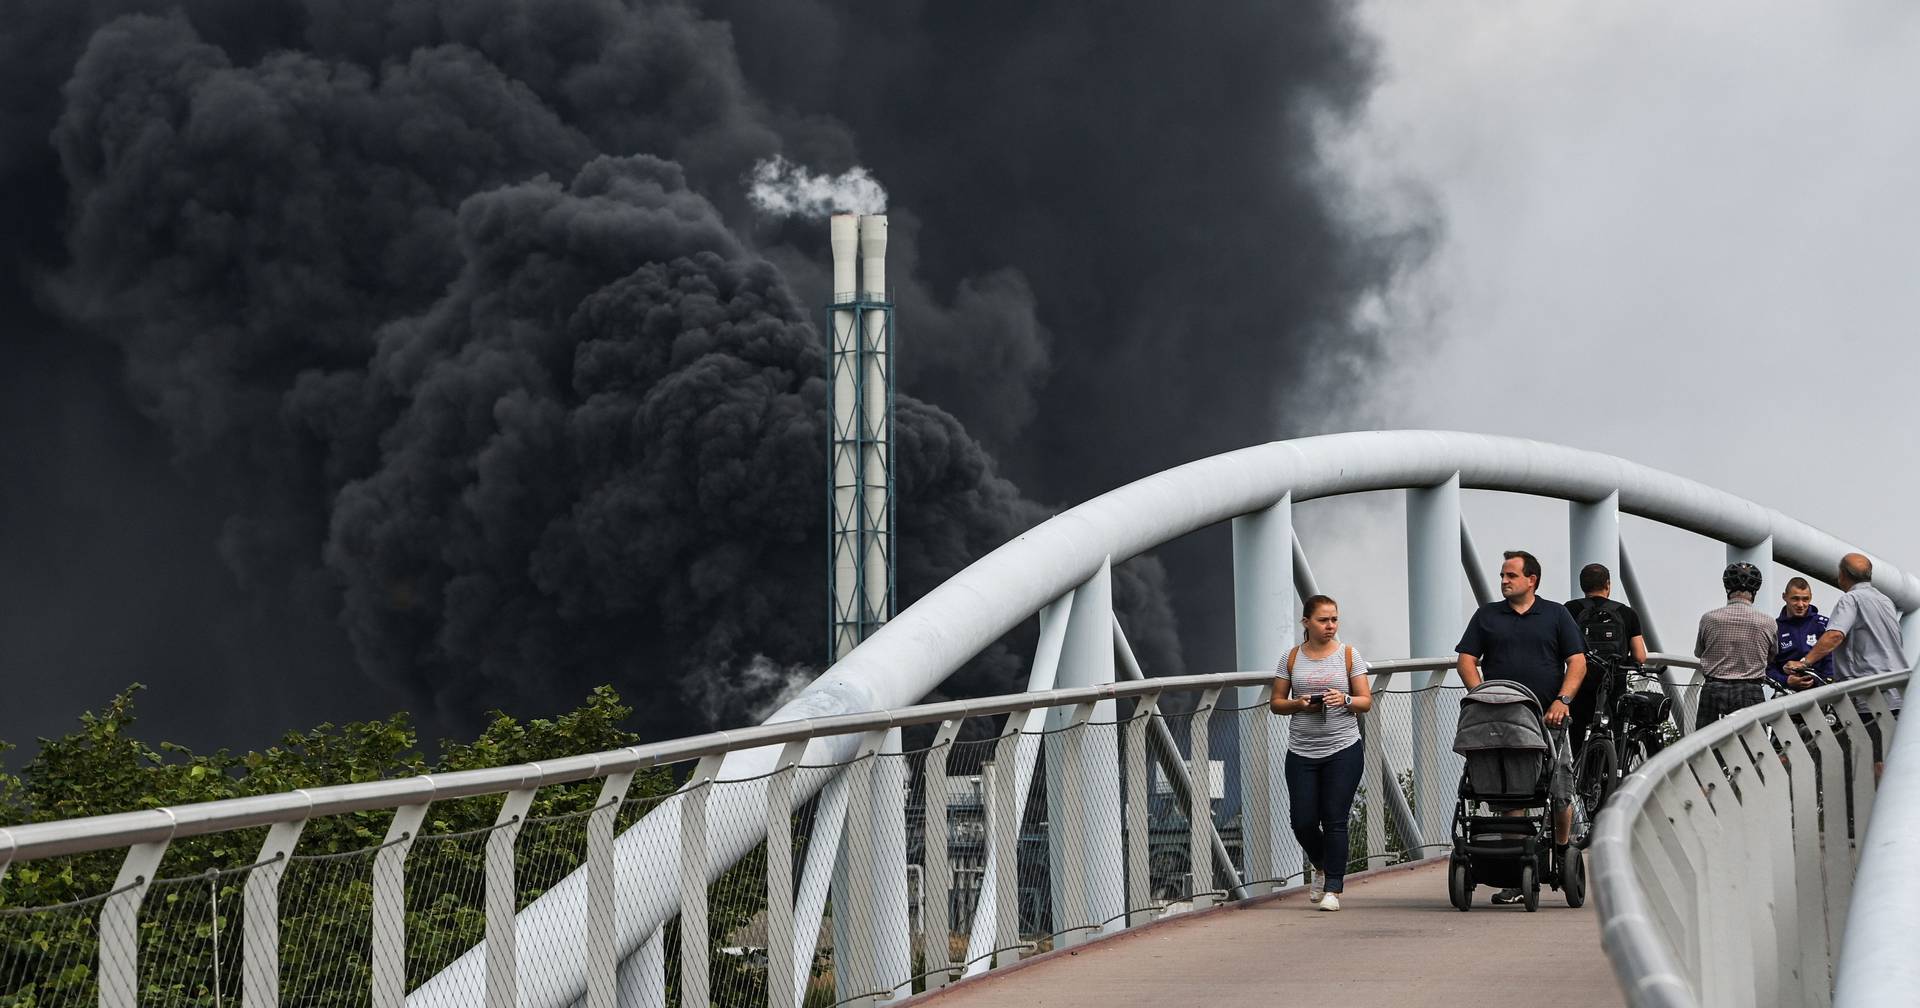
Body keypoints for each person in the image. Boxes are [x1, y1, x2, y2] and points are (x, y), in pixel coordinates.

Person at [1455, 550, 1586, 904]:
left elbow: (1577, 661)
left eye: (1511, 575)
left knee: (1559, 789)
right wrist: (1481, 695)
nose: (1503, 581)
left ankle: (1561, 850)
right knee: (1509, 790)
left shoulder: (1556, 615)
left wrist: (1564, 700)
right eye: (1502, 575)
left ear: (1532, 580)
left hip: (1548, 718)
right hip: (1502, 719)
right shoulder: (1487, 616)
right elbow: (1466, 660)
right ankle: (1513, 874)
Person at [1270, 594, 1373, 912]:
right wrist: (1298, 704)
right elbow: (1276, 703)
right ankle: (1321, 864)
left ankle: (1333, 888)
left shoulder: (1348, 655)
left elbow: (1365, 700)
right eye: (1323, 620)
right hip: (1302, 751)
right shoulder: (1290, 658)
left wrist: (1342, 699)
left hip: (1343, 748)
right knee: (1301, 821)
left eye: (1334, 619)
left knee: (1335, 819)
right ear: (1306, 623)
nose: (1330, 626)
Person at [1785, 553, 1906, 767]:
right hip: (1897, 691)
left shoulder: (1850, 599)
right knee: (1888, 758)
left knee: (1874, 761)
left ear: (1842, 575)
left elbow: (1835, 635)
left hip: (1870, 696)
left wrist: (1804, 662)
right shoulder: (1884, 600)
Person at [1563, 563, 1649, 754]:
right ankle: (1611, 774)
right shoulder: (1626, 613)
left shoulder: (1569, 610)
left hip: (1579, 685)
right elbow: (1640, 656)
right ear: (1608, 585)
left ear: (1582, 586)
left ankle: (1581, 775)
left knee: (1579, 738)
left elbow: (1561, 647)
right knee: (1616, 736)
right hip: (1613, 685)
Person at [1692, 562, 1778, 730]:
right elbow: (1772, 655)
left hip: (1714, 689)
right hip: (1750, 689)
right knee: (1753, 746)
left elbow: (1699, 653)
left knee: (1707, 747)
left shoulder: (1709, 619)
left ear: (1727, 589)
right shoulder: (1768, 623)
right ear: (1754, 592)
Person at [1770, 577, 1834, 691]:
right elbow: (1767, 668)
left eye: (1805, 599)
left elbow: (1832, 661)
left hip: (1822, 694)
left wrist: (1822, 684)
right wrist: (1786, 680)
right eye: (1795, 599)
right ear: (1784, 597)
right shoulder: (1774, 628)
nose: (1800, 604)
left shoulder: (1823, 625)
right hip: (1786, 695)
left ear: (1811, 598)